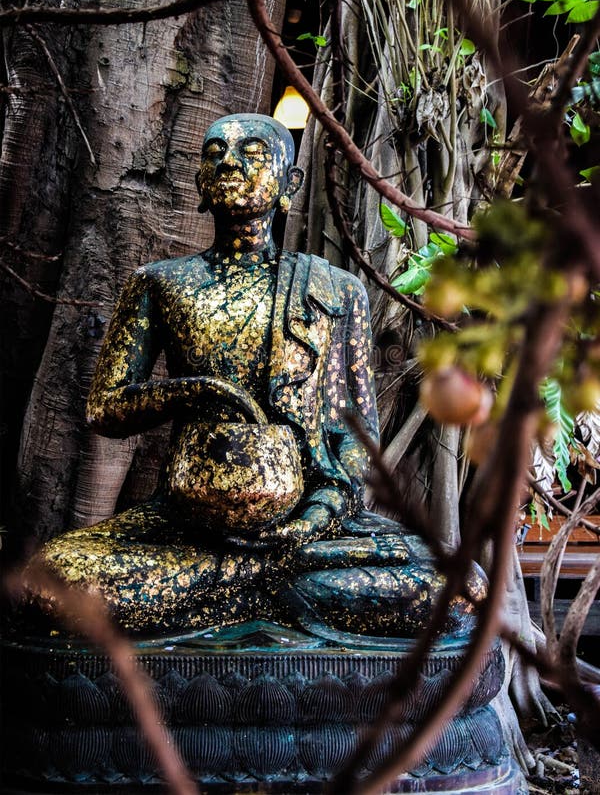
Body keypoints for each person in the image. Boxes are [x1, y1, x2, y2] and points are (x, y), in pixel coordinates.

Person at [26, 114, 484, 642]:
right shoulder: (159, 283)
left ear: (289, 182)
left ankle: (230, 583)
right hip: (185, 524)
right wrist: (191, 391)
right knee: (52, 579)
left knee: (462, 587)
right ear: (199, 182)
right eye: (214, 153)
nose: (229, 163)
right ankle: (265, 582)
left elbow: (358, 436)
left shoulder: (335, 289)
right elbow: (104, 407)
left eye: (253, 153)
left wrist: (319, 513)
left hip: (306, 526)